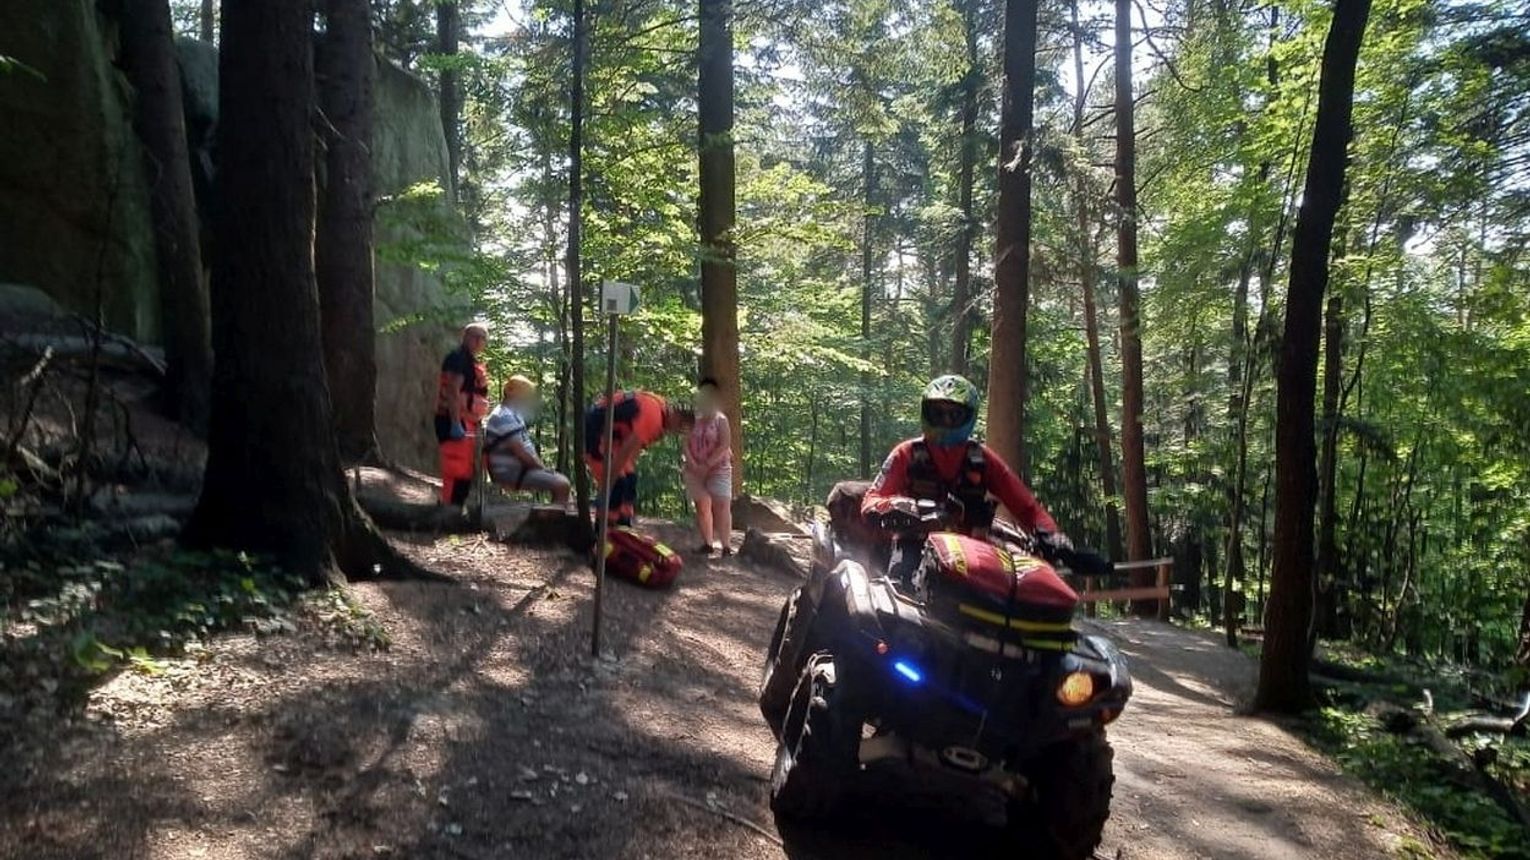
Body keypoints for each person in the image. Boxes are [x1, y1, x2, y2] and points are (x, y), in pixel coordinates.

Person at [862, 374, 1069, 586]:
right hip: (915, 546)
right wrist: (901, 509)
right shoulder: (906, 454)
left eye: (954, 415)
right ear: (926, 413)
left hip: (972, 552)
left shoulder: (982, 459)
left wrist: (1053, 537)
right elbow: (871, 500)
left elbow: (1027, 507)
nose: (945, 421)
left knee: (1013, 593)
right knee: (899, 591)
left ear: (969, 417)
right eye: (938, 413)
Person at [584, 390, 694, 527]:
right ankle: (604, 529)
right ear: (677, 416)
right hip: (595, 431)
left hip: (615, 440)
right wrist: (608, 485)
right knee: (617, 484)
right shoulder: (654, 416)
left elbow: (632, 451)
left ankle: (624, 522)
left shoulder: (660, 412)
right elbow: (628, 448)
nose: (677, 431)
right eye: (680, 427)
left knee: (630, 480)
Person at [484, 374, 571, 506]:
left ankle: (550, 519)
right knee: (561, 484)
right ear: (512, 392)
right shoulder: (503, 416)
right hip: (508, 472)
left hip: (520, 470)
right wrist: (542, 469)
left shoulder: (514, 414)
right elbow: (520, 452)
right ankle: (553, 523)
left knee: (563, 486)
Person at [435, 322, 491, 506]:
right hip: (453, 421)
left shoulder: (470, 361)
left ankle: (456, 511)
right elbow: (452, 389)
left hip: (466, 422)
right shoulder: (458, 358)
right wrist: (455, 423)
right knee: (455, 469)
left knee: (464, 470)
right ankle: (448, 512)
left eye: (482, 338)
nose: (478, 341)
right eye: (475, 336)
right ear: (465, 337)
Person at [683, 377, 734, 556]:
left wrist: (707, 464)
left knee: (722, 505)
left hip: (718, 469)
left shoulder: (721, 420)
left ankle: (726, 546)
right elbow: (685, 443)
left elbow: (724, 444)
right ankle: (708, 543)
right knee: (702, 506)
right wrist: (693, 463)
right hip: (694, 469)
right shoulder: (692, 418)